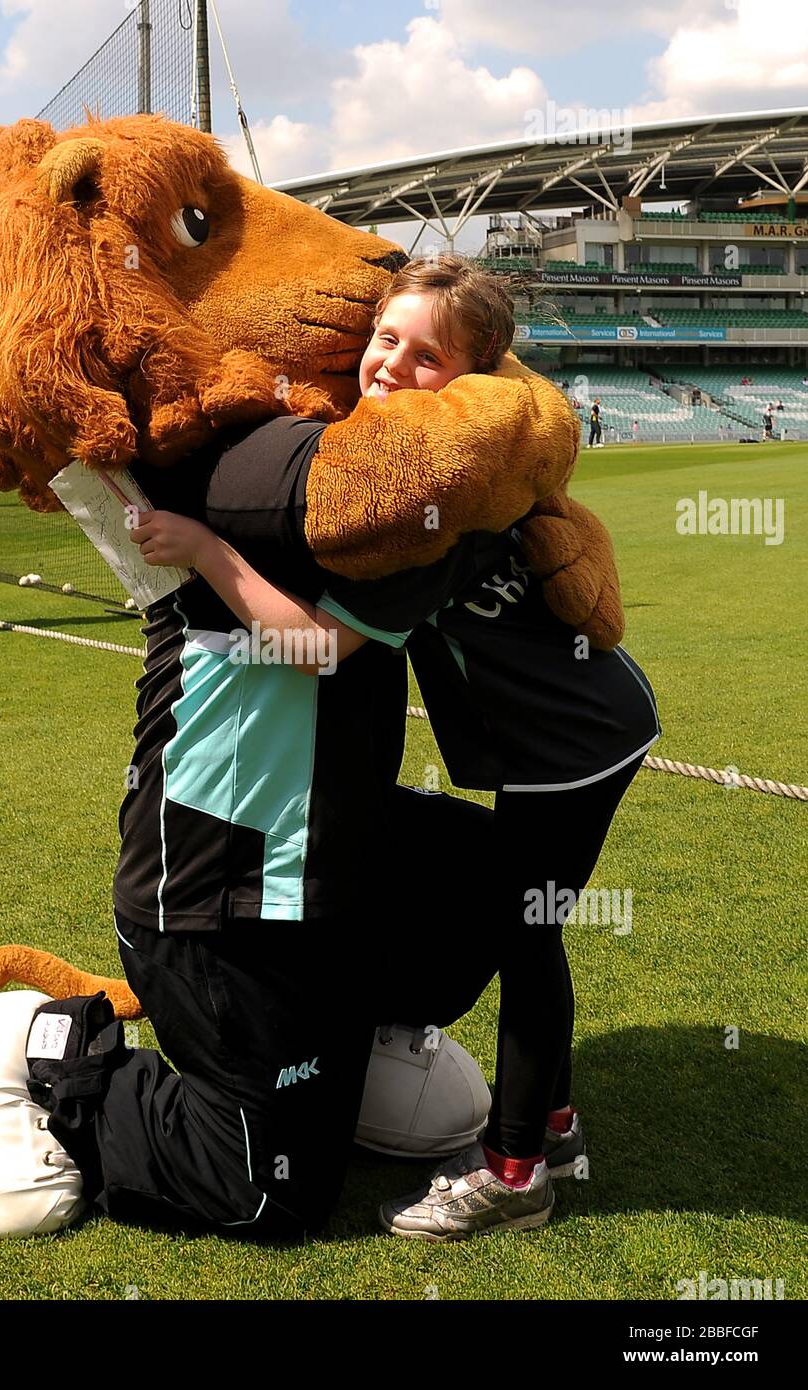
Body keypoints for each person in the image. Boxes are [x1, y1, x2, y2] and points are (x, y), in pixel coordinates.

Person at [132, 256, 660, 1242]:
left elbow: (314, 646)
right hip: (564, 729)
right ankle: (549, 1124)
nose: (390, 363)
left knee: (525, 927)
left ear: (466, 380)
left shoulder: (431, 504)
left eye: (426, 357)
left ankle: (516, 1173)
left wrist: (206, 549)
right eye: (387, 337)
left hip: (574, 744)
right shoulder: (433, 452)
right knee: (516, 914)